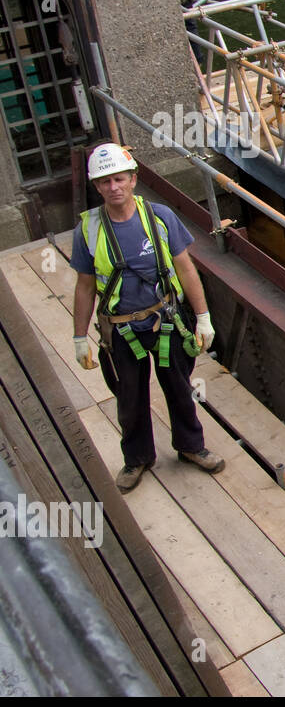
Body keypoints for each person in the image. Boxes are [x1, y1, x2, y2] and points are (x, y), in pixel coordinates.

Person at [72, 142, 224, 493]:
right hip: (121, 330)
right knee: (130, 398)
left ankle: (190, 446)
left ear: (133, 180)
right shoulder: (88, 230)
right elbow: (84, 286)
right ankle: (137, 458)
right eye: (105, 182)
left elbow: (186, 269)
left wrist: (203, 318)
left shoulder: (159, 217)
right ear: (97, 187)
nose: (114, 187)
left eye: (119, 179)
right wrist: (80, 336)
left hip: (166, 321)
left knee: (180, 388)